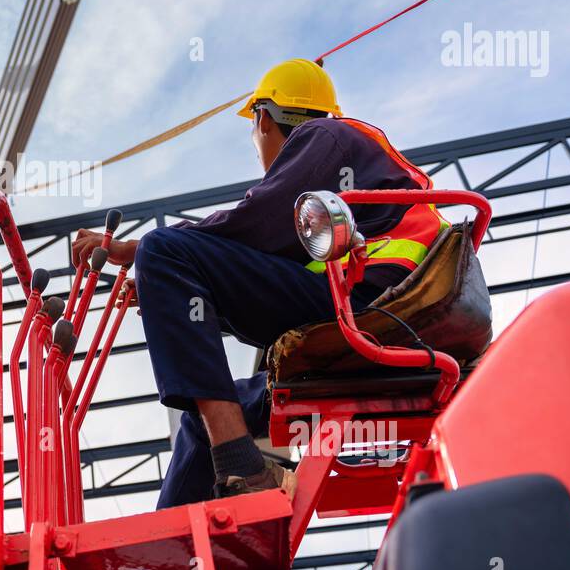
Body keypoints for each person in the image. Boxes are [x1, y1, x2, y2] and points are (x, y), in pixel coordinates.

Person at [71, 58, 447, 506]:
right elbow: (260, 271)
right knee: (200, 421)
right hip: (365, 320)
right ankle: (167, 558)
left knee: (163, 247)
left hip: (369, 311)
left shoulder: (324, 136)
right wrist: (172, 294)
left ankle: (241, 464)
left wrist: (144, 253)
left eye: (254, 130)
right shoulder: (345, 171)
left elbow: (256, 220)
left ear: (264, 117)